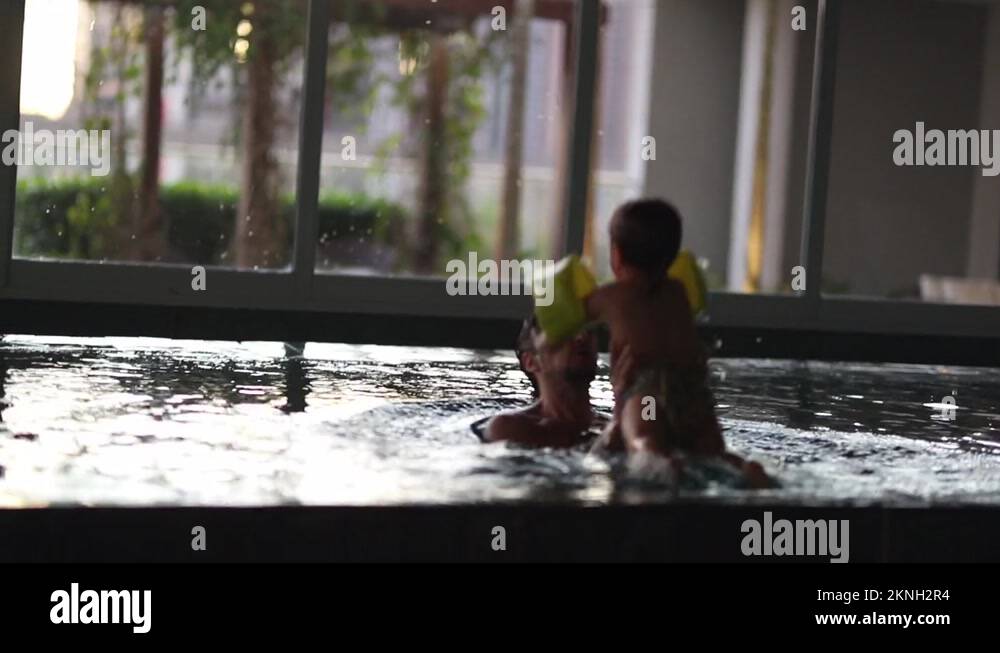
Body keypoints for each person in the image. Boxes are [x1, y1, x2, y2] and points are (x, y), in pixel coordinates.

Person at [483, 315, 606, 448]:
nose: (582, 337)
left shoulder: (616, 425)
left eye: (588, 329)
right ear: (530, 362)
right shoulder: (511, 429)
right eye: (562, 332)